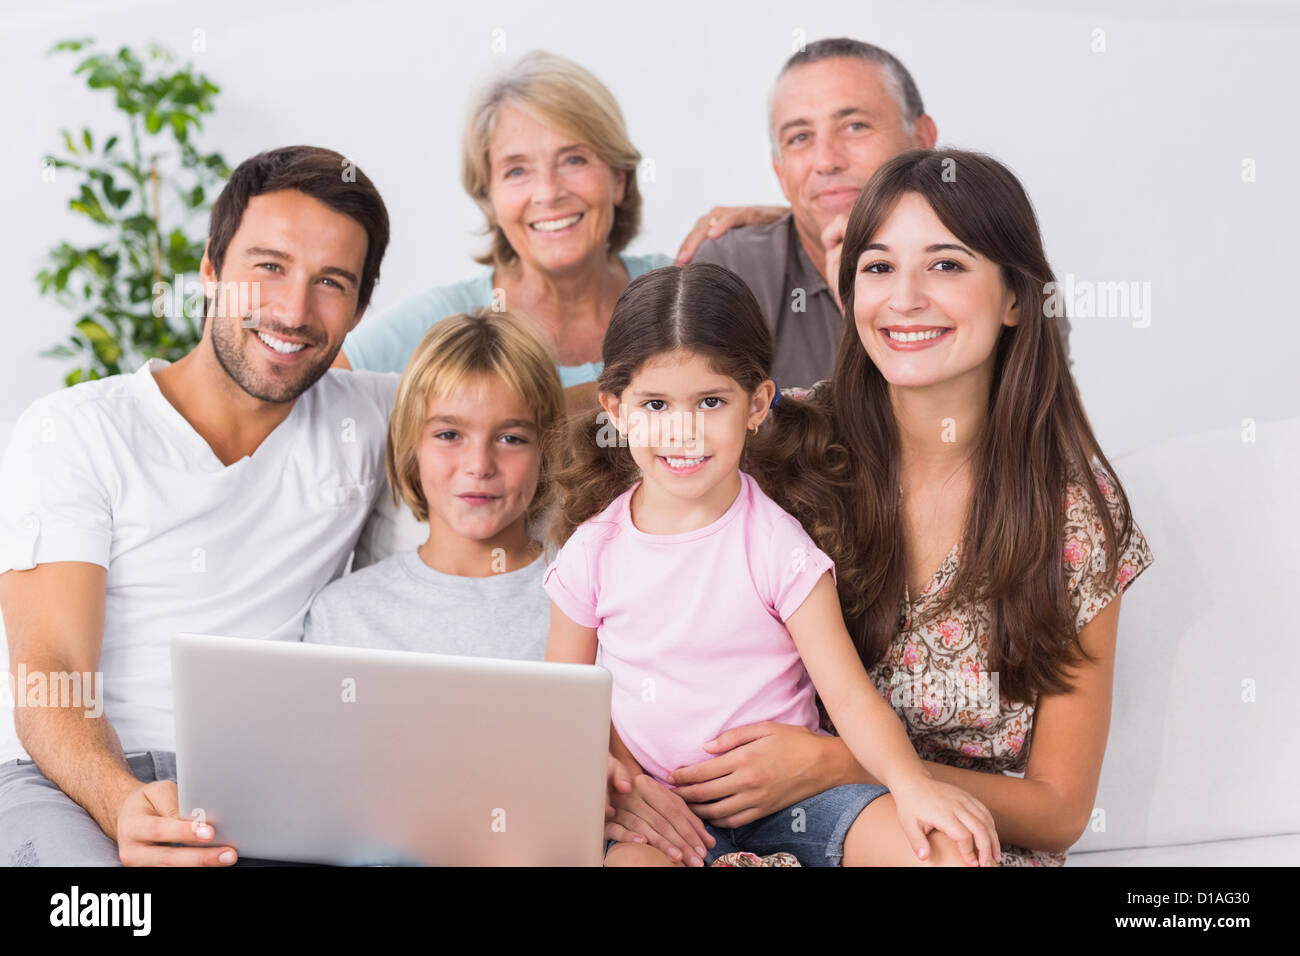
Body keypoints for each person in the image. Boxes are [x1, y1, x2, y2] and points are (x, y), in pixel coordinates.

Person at [630, 149, 1153, 867]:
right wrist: (621, 775)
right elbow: (627, 439)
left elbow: (1059, 809)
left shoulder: (1071, 511)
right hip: (745, 831)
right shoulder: (779, 440)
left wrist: (841, 763)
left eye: (945, 265)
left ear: (1014, 298)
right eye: (877, 267)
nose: (904, 298)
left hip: (940, 842)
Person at [0, 145, 399, 866]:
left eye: (330, 282)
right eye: (268, 267)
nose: (292, 310)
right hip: (70, 779)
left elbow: (539, 408)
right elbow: (50, 665)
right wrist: (122, 802)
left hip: (257, 788)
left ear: (360, 308)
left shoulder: (376, 418)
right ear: (210, 271)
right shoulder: (78, 430)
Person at [542, 263, 1002, 867]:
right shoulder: (593, 552)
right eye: (655, 403)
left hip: (796, 807)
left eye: (711, 401)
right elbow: (562, 703)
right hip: (659, 818)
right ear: (617, 410)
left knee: (941, 853)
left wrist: (915, 786)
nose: (682, 431)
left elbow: (852, 698)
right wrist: (627, 784)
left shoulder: (778, 545)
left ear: (757, 404)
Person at [333, 50, 783, 398]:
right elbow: (308, 398)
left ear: (619, 180)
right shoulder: (438, 323)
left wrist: (791, 222)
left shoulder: (684, 292)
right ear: (488, 198)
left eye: (573, 159)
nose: (548, 192)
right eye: (516, 170)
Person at [690, 37, 1072, 387]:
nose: (826, 161)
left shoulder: (996, 262)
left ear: (922, 137)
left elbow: (1032, 435)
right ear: (778, 169)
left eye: (855, 126)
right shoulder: (733, 267)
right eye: (800, 137)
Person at [303, 309, 562, 657]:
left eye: (511, 439)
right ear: (412, 447)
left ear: (545, 452)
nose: (479, 466)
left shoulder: (590, 597)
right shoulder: (343, 616)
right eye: (449, 434)